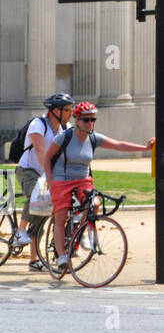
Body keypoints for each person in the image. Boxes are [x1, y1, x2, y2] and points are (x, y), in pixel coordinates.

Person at [41, 101, 153, 272]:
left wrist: (145, 148)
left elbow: (118, 145)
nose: (90, 123)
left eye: (93, 119)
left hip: (83, 180)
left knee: (94, 204)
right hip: (61, 179)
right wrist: (50, 181)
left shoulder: (93, 138)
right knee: (61, 217)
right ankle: (62, 256)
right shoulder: (65, 137)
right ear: (77, 120)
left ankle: (79, 234)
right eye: (86, 120)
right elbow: (47, 157)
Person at [16, 93, 73, 271]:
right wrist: (49, 177)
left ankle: (34, 260)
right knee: (37, 195)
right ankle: (20, 232)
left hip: (49, 173)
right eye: (67, 110)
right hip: (28, 169)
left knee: (42, 214)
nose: (71, 113)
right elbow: (41, 151)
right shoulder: (38, 124)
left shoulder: (65, 127)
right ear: (56, 110)